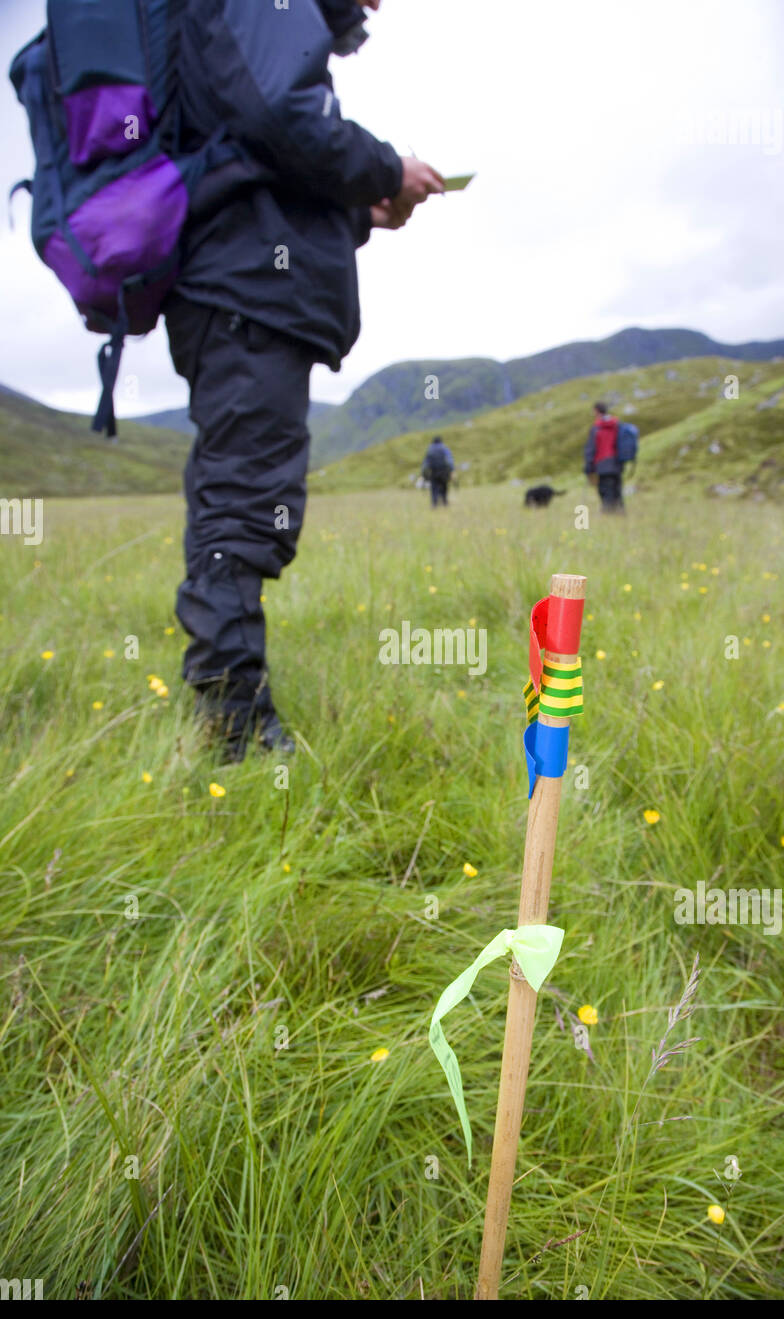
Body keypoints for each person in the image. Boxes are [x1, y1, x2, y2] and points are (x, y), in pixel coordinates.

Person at [165, 0, 444, 760]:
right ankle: (236, 728)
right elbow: (281, 113)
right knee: (245, 504)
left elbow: (255, 162)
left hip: (237, 284)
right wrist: (388, 167)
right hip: (246, 292)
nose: (376, 3)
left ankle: (229, 705)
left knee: (237, 492)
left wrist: (363, 210)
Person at [584, 402, 625, 513]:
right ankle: (621, 514)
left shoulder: (597, 428)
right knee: (617, 491)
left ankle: (608, 516)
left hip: (603, 464)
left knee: (605, 491)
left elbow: (591, 448)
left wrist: (588, 465)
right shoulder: (616, 424)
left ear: (597, 411)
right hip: (617, 463)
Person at [421, 436, 455, 506]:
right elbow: (449, 460)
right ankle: (445, 502)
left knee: (434, 488)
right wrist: (451, 470)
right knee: (444, 487)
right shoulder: (444, 448)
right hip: (444, 472)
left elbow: (425, 463)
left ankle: (434, 503)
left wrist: (423, 473)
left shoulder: (430, 449)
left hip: (434, 472)